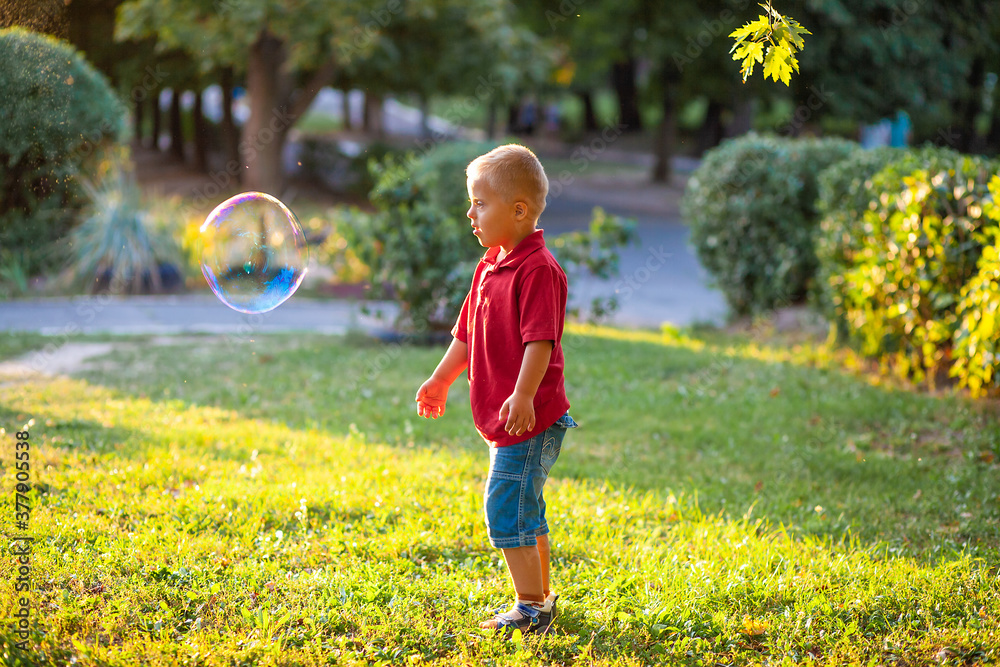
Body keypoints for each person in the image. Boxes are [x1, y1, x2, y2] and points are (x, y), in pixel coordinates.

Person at [415, 144, 577, 637]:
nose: (471, 213)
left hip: (530, 418)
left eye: (480, 204)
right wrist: (441, 379)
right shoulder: (490, 264)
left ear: (519, 210)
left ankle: (529, 608)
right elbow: (467, 333)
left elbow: (540, 341)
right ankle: (541, 599)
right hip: (507, 418)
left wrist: (524, 394)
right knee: (526, 510)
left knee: (505, 509)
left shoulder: (538, 270)